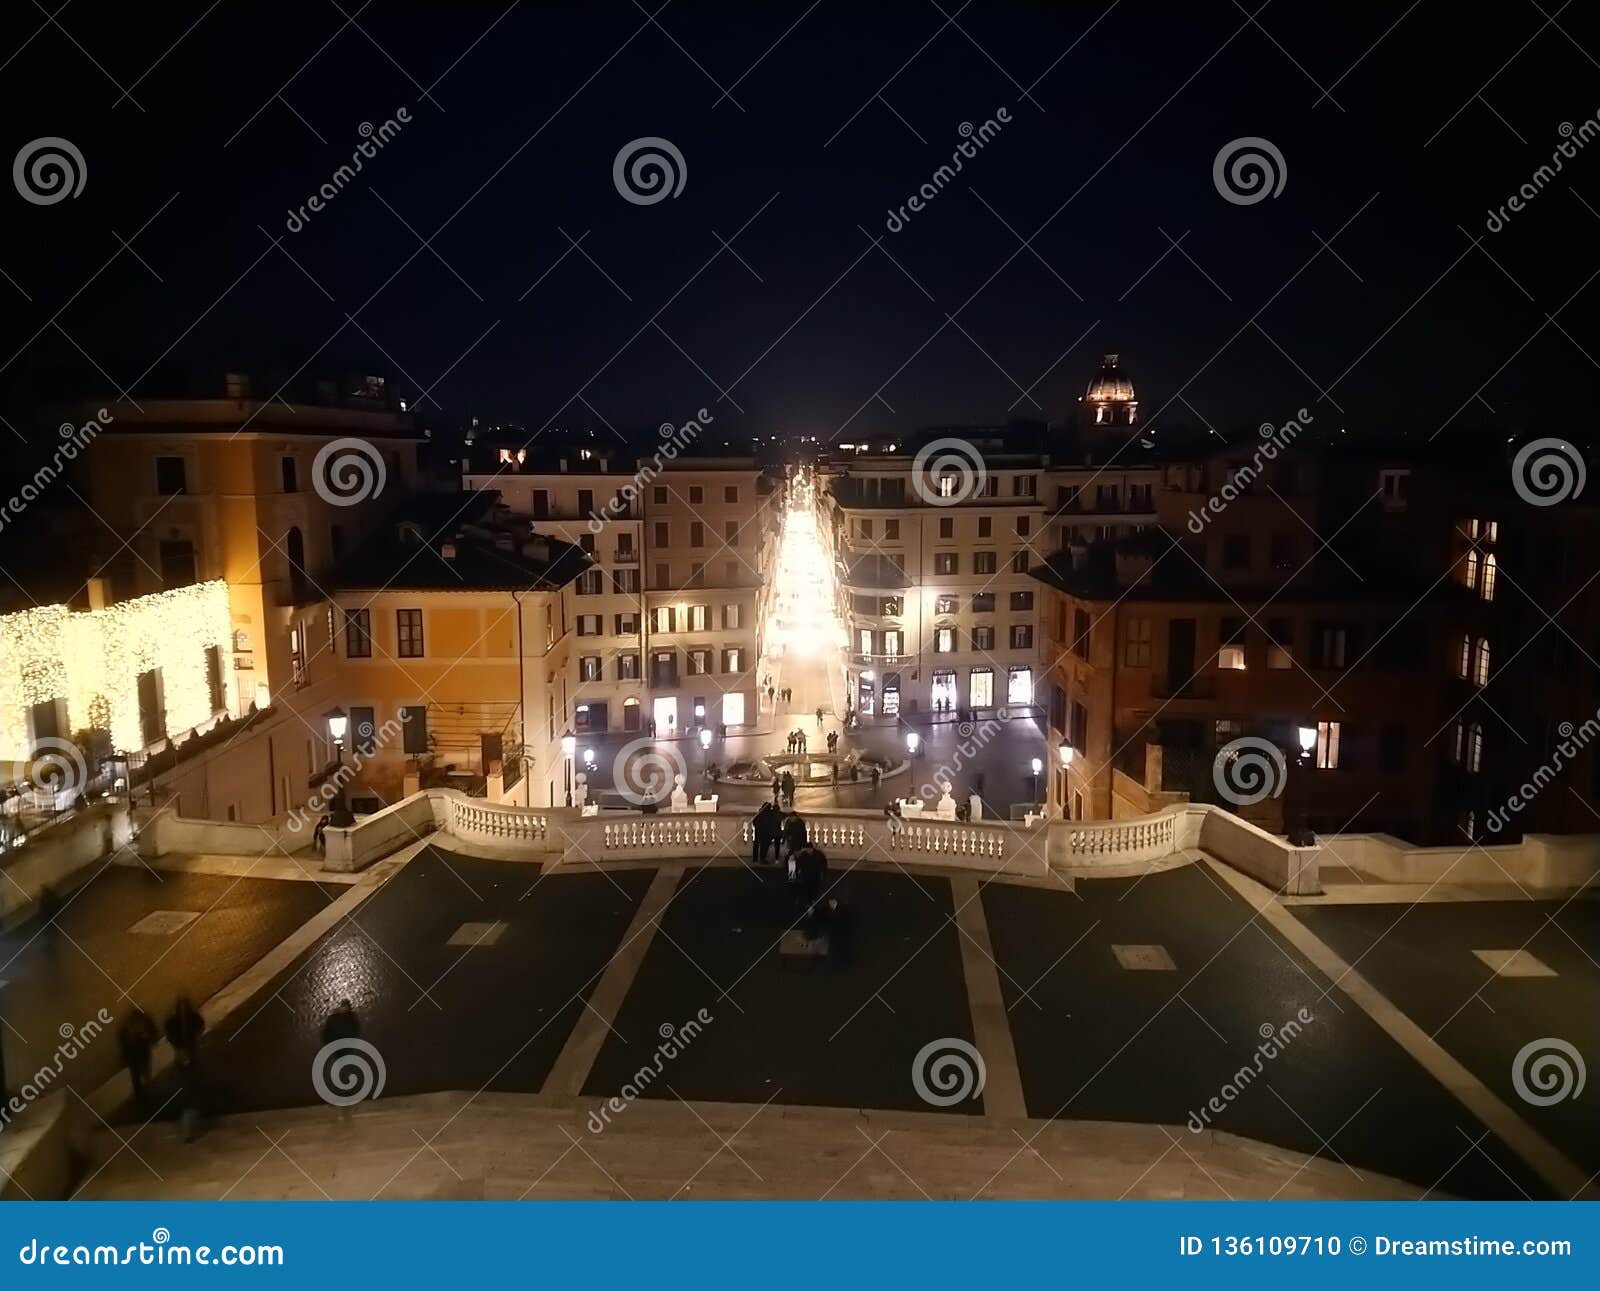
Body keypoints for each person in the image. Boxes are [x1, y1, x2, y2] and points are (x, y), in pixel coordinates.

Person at [118, 1008, 158, 1110]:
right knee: (141, 1076)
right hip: (139, 1056)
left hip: (137, 1056)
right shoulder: (132, 1029)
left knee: (138, 1077)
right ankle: (145, 1095)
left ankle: (142, 1096)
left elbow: (124, 1044)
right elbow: (124, 1043)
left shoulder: (127, 1029)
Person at [165, 997, 206, 1070]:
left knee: (193, 1057)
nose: (182, 1010)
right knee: (185, 1059)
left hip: (189, 1043)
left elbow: (201, 1025)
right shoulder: (174, 1020)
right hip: (181, 1044)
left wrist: (198, 1035)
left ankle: (192, 1069)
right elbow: (168, 1031)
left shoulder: (192, 1016)